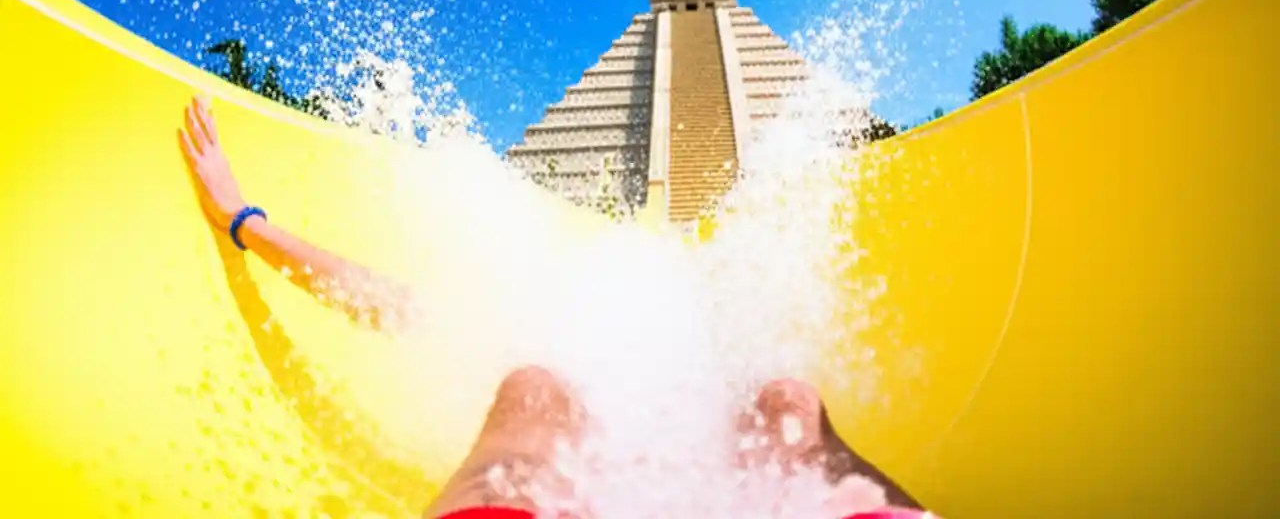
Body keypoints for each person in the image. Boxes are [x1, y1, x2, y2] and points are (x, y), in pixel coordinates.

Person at [178, 96, 932, 519]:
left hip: (713, 473)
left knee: (786, 402)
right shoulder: (550, 297)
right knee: (532, 387)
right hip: (581, 470)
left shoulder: (714, 300)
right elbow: (383, 302)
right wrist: (247, 221)